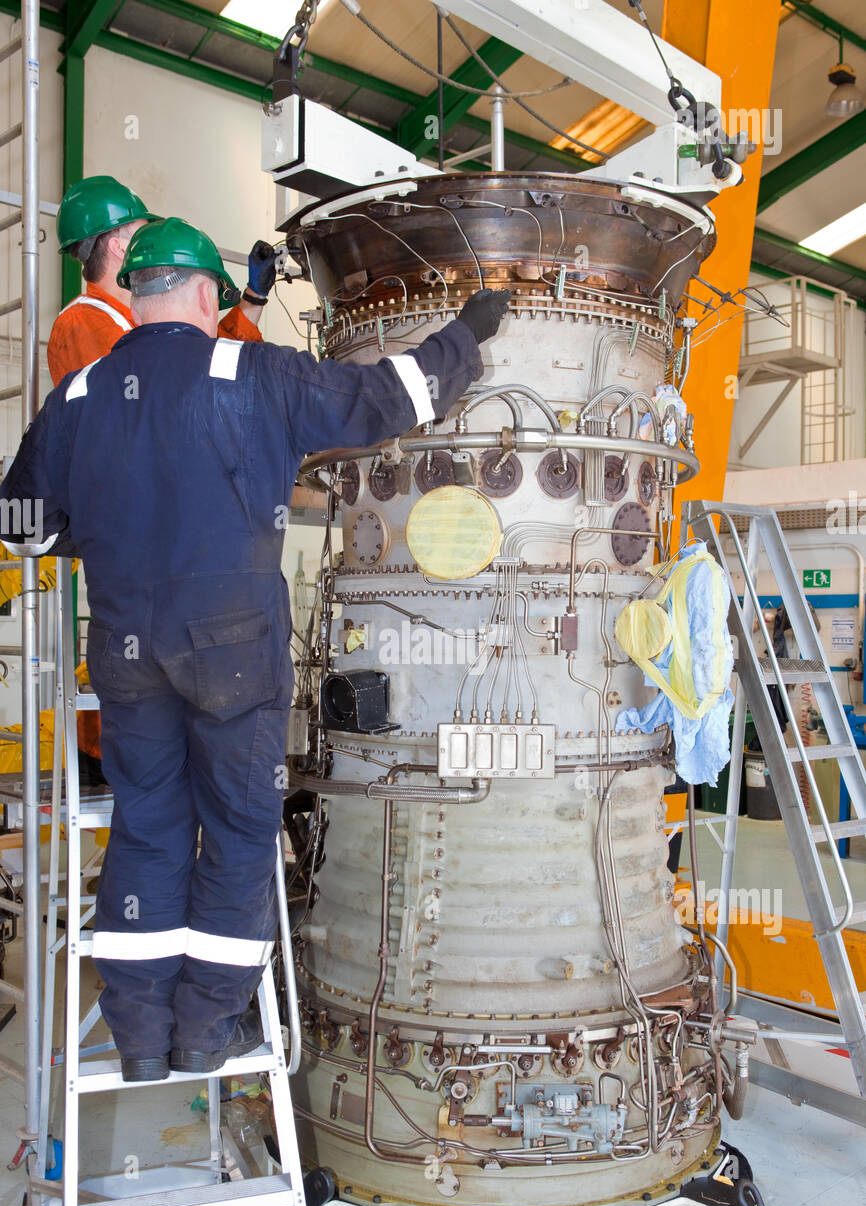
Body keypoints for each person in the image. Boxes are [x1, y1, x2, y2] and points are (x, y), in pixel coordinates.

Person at [0, 215, 510, 1082]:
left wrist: (103, 537)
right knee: (237, 830)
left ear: (138, 293)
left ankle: (139, 1038)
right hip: (231, 647)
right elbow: (392, 397)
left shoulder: (80, 395)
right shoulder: (253, 370)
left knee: (149, 828)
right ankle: (206, 1028)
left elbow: (21, 526)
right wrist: (468, 331)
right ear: (206, 293)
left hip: (124, 647)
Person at [48, 176, 280, 779]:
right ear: (120, 243)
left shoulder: (126, 326)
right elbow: (175, 393)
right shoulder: (85, 324)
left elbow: (198, 368)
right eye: (140, 231)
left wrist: (248, 303)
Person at [49, 176, 277, 386]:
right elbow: (154, 386)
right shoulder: (80, 322)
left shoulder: (131, 317)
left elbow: (203, 351)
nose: (149, 241)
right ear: (118, 248)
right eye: (141, 234)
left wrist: (254, 295)